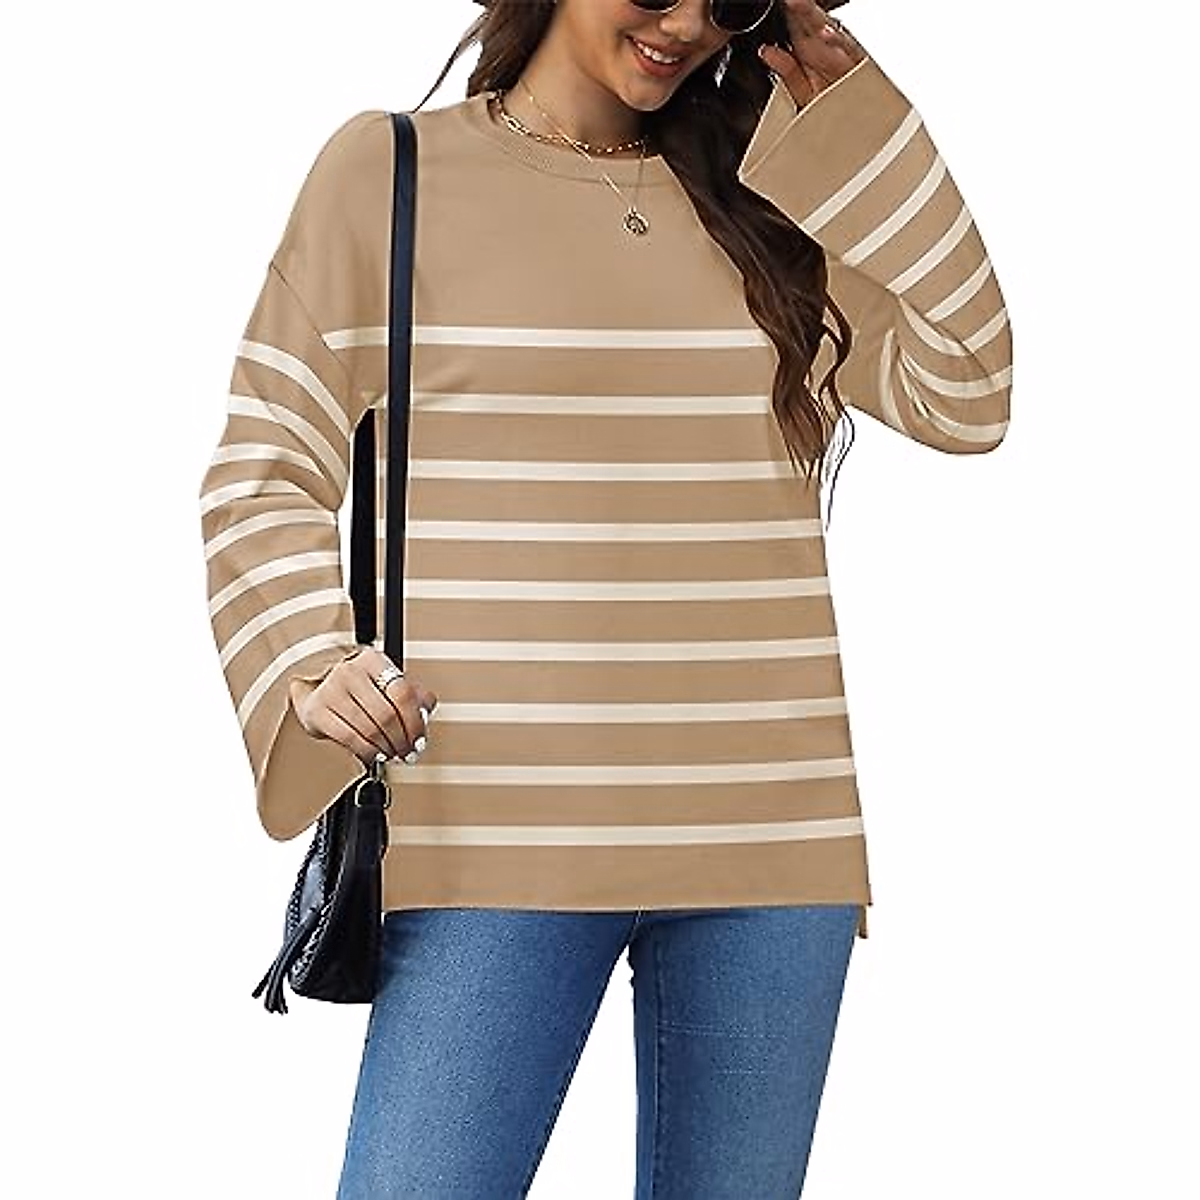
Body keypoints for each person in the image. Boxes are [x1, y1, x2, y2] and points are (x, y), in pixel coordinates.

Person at [198, 0, 1012, 1194]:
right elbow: (268, 466)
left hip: (766, 839)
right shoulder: (390, 172)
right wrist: (313, 665)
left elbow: (968, 390)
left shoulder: (777, 196)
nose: (685, 23)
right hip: (496, 834)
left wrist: (857, 122)